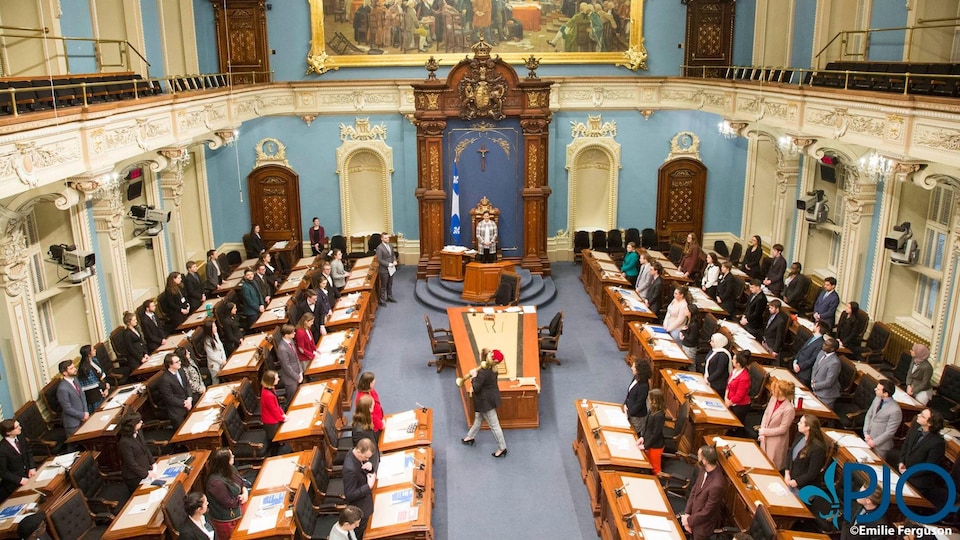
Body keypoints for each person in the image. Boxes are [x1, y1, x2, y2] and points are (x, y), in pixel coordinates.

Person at [461, 349, 508, 458]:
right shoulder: (494, 369)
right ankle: (470, 437)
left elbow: (476, 388)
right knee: (478, 419)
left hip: (485, 402)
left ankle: (502, 448)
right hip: (489, 399)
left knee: (495, 426)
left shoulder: (483, 372)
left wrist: (473, 376)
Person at [898, 408, 946, 507]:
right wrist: (901, 461)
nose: (918, 415)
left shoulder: (937, 442)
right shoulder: (916, 426)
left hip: (918, 480)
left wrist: (909, 472)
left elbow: (929, 466)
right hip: (904, 469)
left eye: (922, 416)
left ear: (930, 423)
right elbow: (906, 444)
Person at [681, 445, 727, 540]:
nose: (697, 458)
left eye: (699, 456)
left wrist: (688, 521)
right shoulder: (703, 469)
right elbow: (694, 490)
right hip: (692, 515)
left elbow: (707, 512)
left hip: (703, 526)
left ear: (705, 461)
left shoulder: (717, 485)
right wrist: (687, 513)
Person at [205, 448, 248, 540]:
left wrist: (245, 492)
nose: (233, 457)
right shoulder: (215, 483)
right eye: (231, 456)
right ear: (225, 461)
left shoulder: (230, 468)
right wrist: (241, 498)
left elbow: (241, 481)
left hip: (239, 505)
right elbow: (229, 502)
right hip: (227, 519)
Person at [757, 379, 796, 470]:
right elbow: (766, 414)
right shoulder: (773, 399)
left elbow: (782, 429)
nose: (772, 391)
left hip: (776, 441)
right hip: (765, 436)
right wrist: (762, 432)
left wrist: (765, 431)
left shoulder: (789, 409)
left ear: (780, 392)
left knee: (771, 466)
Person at [784, 414, 828, 492]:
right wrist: (787, 472)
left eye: (801, 423)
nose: (798, 424)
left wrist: (797, 482)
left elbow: (812, 473)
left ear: (808, 427)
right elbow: (790, 454)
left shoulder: (818, 449)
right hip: (791, 478)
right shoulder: (800, 436)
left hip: (803, 487)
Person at [343, 439, 377, 540]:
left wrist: (370, 467)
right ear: (358, 451)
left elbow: (364, 469)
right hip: (360, 507)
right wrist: (368, 486)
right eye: (366, 457)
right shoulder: (350, 469)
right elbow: (349, 495)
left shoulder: (354, 453)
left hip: (366, 496)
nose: (367, 459)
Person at [862, 379, 902, 462]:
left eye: (878, 389)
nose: (875, 389)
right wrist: (866, 433)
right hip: (868, 437)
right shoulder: (877, 398)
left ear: (886, 393)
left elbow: (890, 432)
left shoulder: (895, 410)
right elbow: (869, 415)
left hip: (880, 445)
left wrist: (874, 442)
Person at [118, 412, 155, 493]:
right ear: (133, 425)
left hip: (145, 469)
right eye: (139, 422)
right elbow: (131, 464)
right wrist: (146, 474)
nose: (141, 422)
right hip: (134, 477)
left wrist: (152, 462)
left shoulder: (138, 431)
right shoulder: (124, 442)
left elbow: (144, 447)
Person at [0, 419, 35, 502]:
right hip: (15, 483)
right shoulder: (2, 449)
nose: (20, 428)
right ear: (8, 432)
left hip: (29, 475)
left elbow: (28, 451)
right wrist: (20, 480)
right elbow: (3, 472)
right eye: (17, 427)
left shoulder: (20, 436)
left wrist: (32, 467)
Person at [158, 353, 192, 427]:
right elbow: (169, 398)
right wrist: (184, 403)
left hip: (188, 402)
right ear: (170, 365)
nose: (180, 363)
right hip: (176, 410)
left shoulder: (181, 370)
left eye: (179, 360)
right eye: (177, 362)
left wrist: (189, 398)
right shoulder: (164, 379)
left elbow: (187, 385)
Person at [56, 360, 89, 436]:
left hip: (84, 417)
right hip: (73, 424)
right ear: (64, 373)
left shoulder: (75, 380)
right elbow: (67, 408)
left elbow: (82, 396)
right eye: (71, 368)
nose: (75, 369)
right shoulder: (62, 389)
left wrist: (86, 412)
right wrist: (82, 415)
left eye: (74, 367)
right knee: (75, 446)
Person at [637, 388, 665, 474]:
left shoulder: (659, 415)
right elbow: (646, 424)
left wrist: (646, 446)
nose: (648, 400)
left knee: (655, 468)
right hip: (648, 441)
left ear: (655, 400)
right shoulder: (652, 409)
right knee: (647, 463)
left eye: (650, 398)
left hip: (655, 446)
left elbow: (655, 434)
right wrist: (642, 437)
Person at [810, 336, 841, 410]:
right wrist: (812, 380)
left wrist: (815, 385)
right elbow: (815, 367)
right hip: (815, 389)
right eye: (824, 343)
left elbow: (829, 382)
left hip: (826, 396)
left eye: (826, 345)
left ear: (832, 349)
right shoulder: (821, 352)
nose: (823, 345)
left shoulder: (835, 363)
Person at [792, 321, 827, 388]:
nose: (813, 326)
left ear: (818, 328)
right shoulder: (812, 337)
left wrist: (800, 366)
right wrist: (795, 361)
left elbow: (813, 359)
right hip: (796, 366)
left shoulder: (821, 343)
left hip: (804, 373)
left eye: (815, 325)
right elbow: (801, 350)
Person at [77, 344, 109, 413]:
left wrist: (105, 388)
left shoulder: (94, 360)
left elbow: (102, 374)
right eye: (93, 349)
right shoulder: (84, 368)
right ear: (89, 354)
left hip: (102, 390)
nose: (95, 350)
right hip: (93, 396)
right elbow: (92, 383)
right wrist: (105, 386)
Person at [352, 395, 380, 471]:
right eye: (373, 407)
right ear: (369, 409)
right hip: (371, 465)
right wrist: (372, 468)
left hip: (375, 453)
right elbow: (364, 454)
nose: (374, 409)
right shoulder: (360, 433)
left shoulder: (364, 419)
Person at [260, 370, 285, 456]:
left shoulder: (270, 388)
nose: (278, 379)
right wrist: (282, 418)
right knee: (274, 442)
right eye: (276, 378)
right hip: (271, 422)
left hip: (274, 418)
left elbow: (277, 404)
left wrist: (283, 414)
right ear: (271, 381)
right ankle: (274, 456)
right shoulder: (267, 395)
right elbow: (273, 409)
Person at [623, 359, 651, 434]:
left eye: (633, 367)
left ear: (639, 370)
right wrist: (625, 403)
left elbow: (639, 404)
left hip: (636, 417)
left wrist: (629, 413)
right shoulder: (636, 377)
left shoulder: (644, 386)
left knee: (633, 435)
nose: (631, 368)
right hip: (628, 410)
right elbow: (629, 393)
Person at [276, 324, 303, 400]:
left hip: (297, 373)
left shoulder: (290, 341)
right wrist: (297, 377)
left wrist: (300, 371)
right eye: (292, 332)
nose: (295, 333)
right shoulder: (282, 349)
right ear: (286, 335)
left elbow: (296, 357)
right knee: (292, 399)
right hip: (290, 379)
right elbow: (286, 367)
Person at [725, 351, 752, 424]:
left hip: (739, 407)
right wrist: (726, 397)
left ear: (738, 364)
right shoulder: (734, 371)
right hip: (729, 401)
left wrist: (729, 403)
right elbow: (728, 384)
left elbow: (739, 395)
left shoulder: (744, 378)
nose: (732, 361)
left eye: (734, 359)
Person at [356, 372, 385, 436]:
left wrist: (382, 418)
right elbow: (371, 415)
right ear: (369, 383)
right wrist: (381, 425)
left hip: (380, 420)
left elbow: (377, 404)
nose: (374, 384)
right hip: (375, 427)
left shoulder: (370, 390)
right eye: (373, 382)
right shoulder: (363, 399)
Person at [703, 333, 731, 397]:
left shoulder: (723, 355)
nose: (710, 342)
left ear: (718, 342)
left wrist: (708, 379)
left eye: (712, 341)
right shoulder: (713, 350)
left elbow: (719, 371)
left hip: (717, 384)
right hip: (709, 378)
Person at [375, 232, 398, 304]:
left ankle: (390, 297)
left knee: (390, 283)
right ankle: (382, 300)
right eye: (385, 238)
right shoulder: (379, 247)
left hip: (391, 268)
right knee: (384, 285)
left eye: (388, 237)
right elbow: (379, 259)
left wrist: (394, 260)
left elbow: (393, 255)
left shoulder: (390, 245)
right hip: (384, 269)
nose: (387, 239)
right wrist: (388, 264)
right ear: (382, 239)